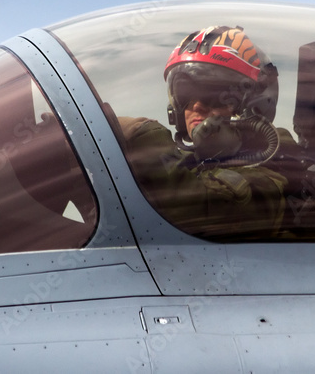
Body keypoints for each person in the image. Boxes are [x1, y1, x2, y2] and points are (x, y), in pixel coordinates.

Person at [117, 26, 293, 240]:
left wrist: (140, 134)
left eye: (214, 93)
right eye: (185, 93)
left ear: (254, 104)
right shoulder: (190, 163)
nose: (197, 106)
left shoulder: (276, 167)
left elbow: (205, 210)